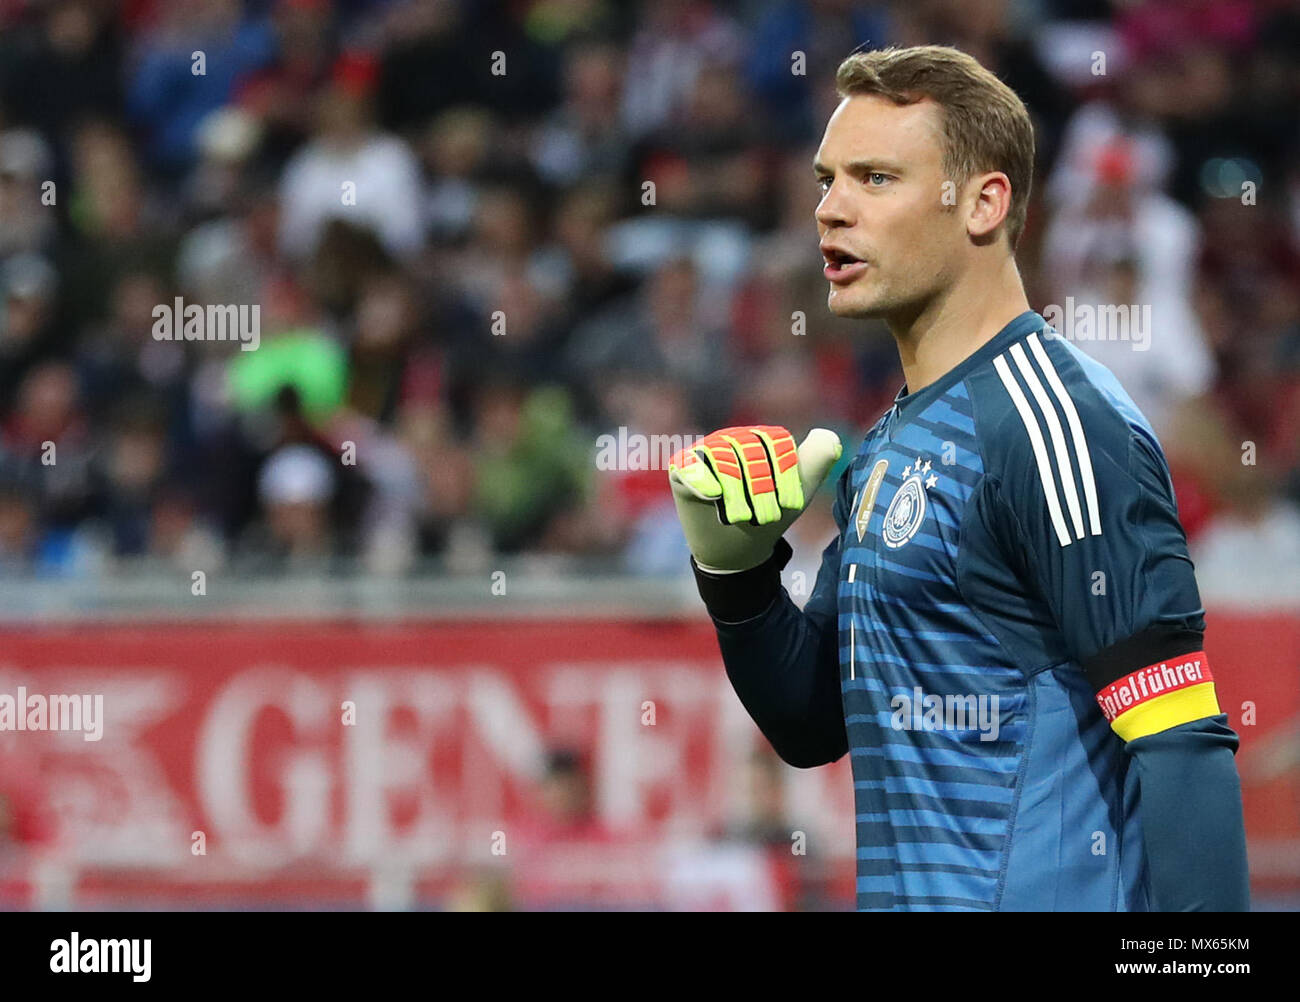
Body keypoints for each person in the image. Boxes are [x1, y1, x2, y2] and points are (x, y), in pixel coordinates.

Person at [667, 45, 1248, 912]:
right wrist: (738, 576)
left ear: (983, 203)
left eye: (874, 178)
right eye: (827, 179)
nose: (830, 209)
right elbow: (812, 719)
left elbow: (1180, 743)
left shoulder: (1056, 424)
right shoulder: (890, 444)